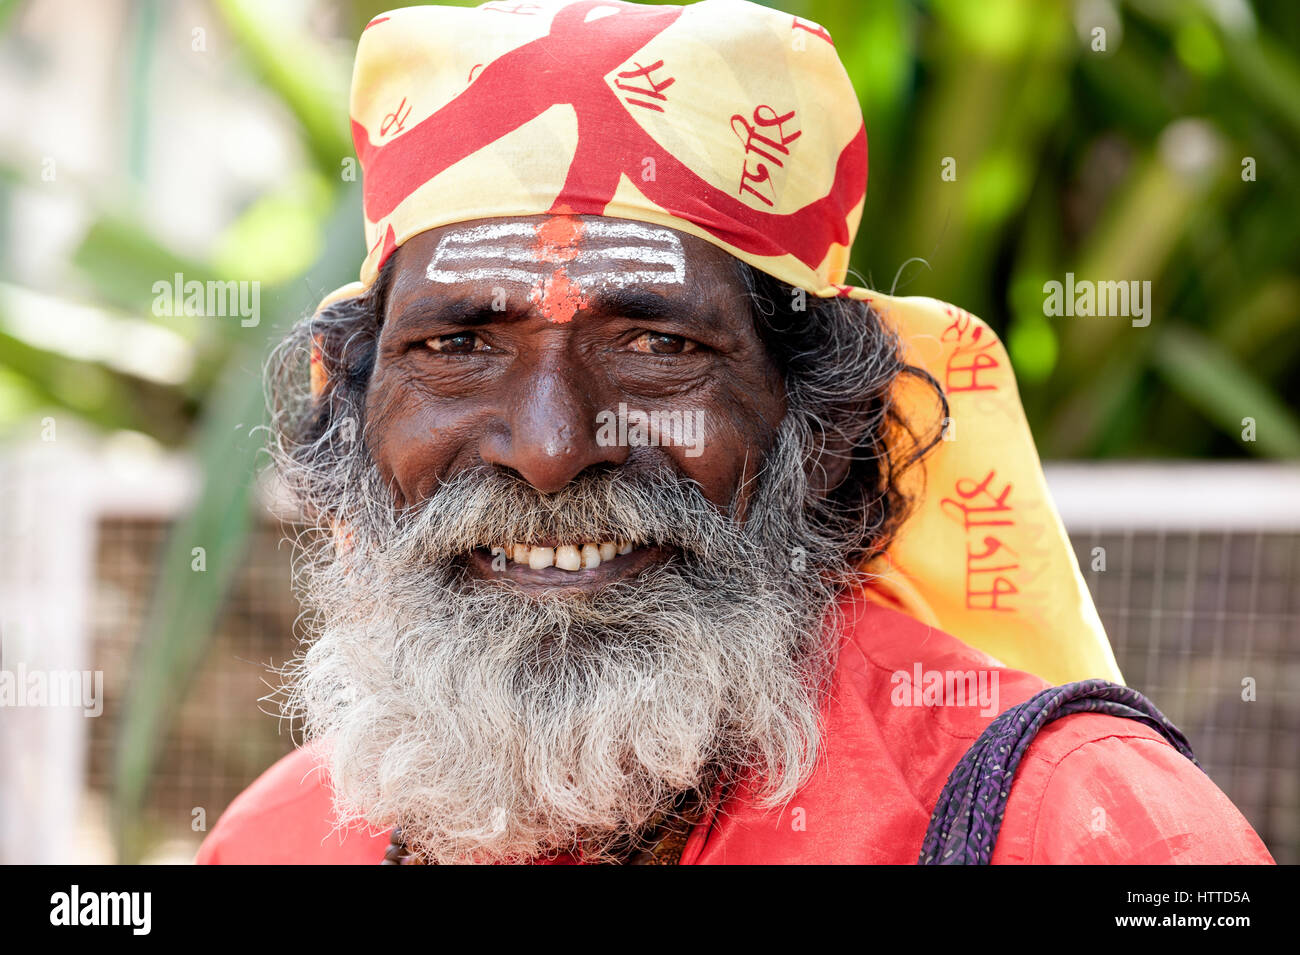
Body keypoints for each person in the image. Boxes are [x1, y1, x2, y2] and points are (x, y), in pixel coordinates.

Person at [196, 0, 1273, 864]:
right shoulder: (277, 838)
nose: (551, 446)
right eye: (458, 345)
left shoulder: (1080, 823)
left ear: (824, 426)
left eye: (658, 347)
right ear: (353, 414)